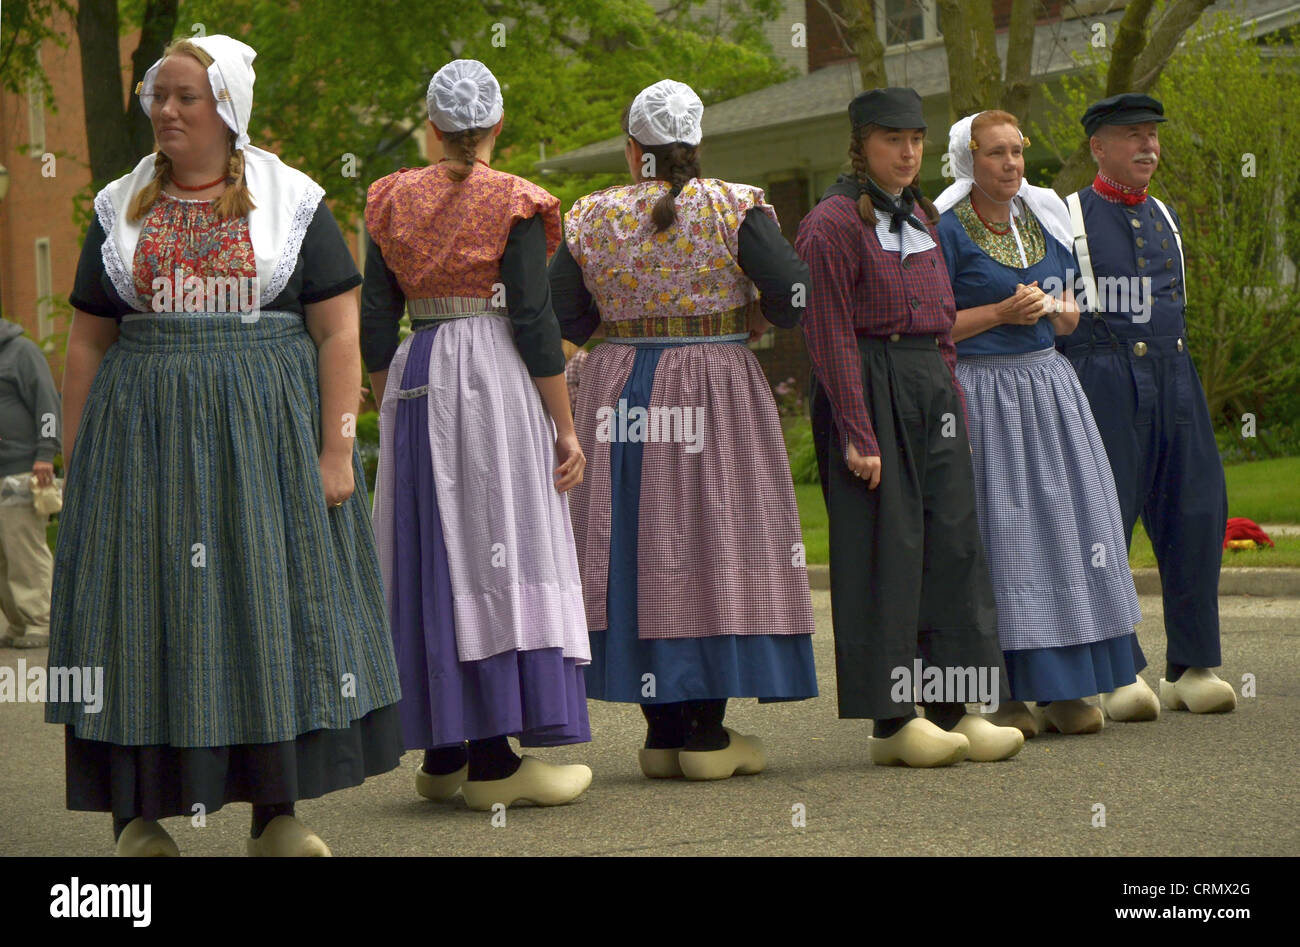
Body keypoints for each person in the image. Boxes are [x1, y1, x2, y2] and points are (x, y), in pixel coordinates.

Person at [47, 35, 404, 856]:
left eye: (185, 98)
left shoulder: (294, 203)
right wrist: (78, 455)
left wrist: (338, 448)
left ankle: (276, 813)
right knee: (141, 618)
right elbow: (88, 342)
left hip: (265, 444)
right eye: (156, 97)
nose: (165, 111)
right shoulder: (117, 205)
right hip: (143, 444)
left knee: (267, 616)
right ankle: (138, 815)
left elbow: (338, 331)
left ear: (227, 111)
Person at [549, 79, 817, 781]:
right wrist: (756, 315)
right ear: (697, 144)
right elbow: (794, 292)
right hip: (715, 385)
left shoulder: (592, 215)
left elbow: (562, 313)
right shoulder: (734, 206)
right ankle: (706, 732)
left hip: (622, 388)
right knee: (715, 535)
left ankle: (661, 729)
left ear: (632, 147)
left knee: (636, 541)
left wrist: (618, 331)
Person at [363, 59, 593, 811]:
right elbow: (530, 315)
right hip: (490, 372)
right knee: (496, 536)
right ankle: (495, 759)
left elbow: (373, 316)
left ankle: (442, 751)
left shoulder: (390, 198)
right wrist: (564, 425)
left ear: (432, 126)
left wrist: (385, 399)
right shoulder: (516, 201)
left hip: (417, 367)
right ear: (497, 126)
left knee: (431, 545)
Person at [795, 87, 1024, 767]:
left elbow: (943, 320)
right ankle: (893, 723)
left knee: (953, 549)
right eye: (894, 140)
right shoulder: (830, 224)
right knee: (885, 555)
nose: (907, 152)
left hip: (930, 383)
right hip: (871, 381)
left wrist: (953, 403)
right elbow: (829, 333)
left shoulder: (924, 212)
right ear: (862, 144)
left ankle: (957, 706)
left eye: (917, 140)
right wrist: (857, 432)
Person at [935, 110, 1155, 737]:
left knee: (1071, 528)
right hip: (983, 395)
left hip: (1049, 388)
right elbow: (934, 326)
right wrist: (1000, 311)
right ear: (968, 162)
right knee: (1006, 539)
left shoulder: (1044, 219)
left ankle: (1067, 685)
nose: (1010, 165)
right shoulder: (945, 231)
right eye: (996, 154)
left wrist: (1052, 307)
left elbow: (1071, 317)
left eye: (1016, 152)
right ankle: (1004, 693)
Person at [1057, 94, 1236, 715]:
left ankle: (1191, 664)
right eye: (1133, 135)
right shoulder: (1067, 214)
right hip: (1104, 377)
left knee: (1197, 509)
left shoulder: (1163, 212)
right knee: (1108, 520)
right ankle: (1116, 669)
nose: (1148, 147)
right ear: (1098, 146)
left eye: (1153, 136)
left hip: (1176, 373)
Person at [0, 315, 61, 649]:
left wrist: (46, 452)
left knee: (23, 550)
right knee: (3, 556)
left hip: (22, 470)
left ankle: (40, 621)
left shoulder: (22, 352)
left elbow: (48, 404)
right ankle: (19, 623)